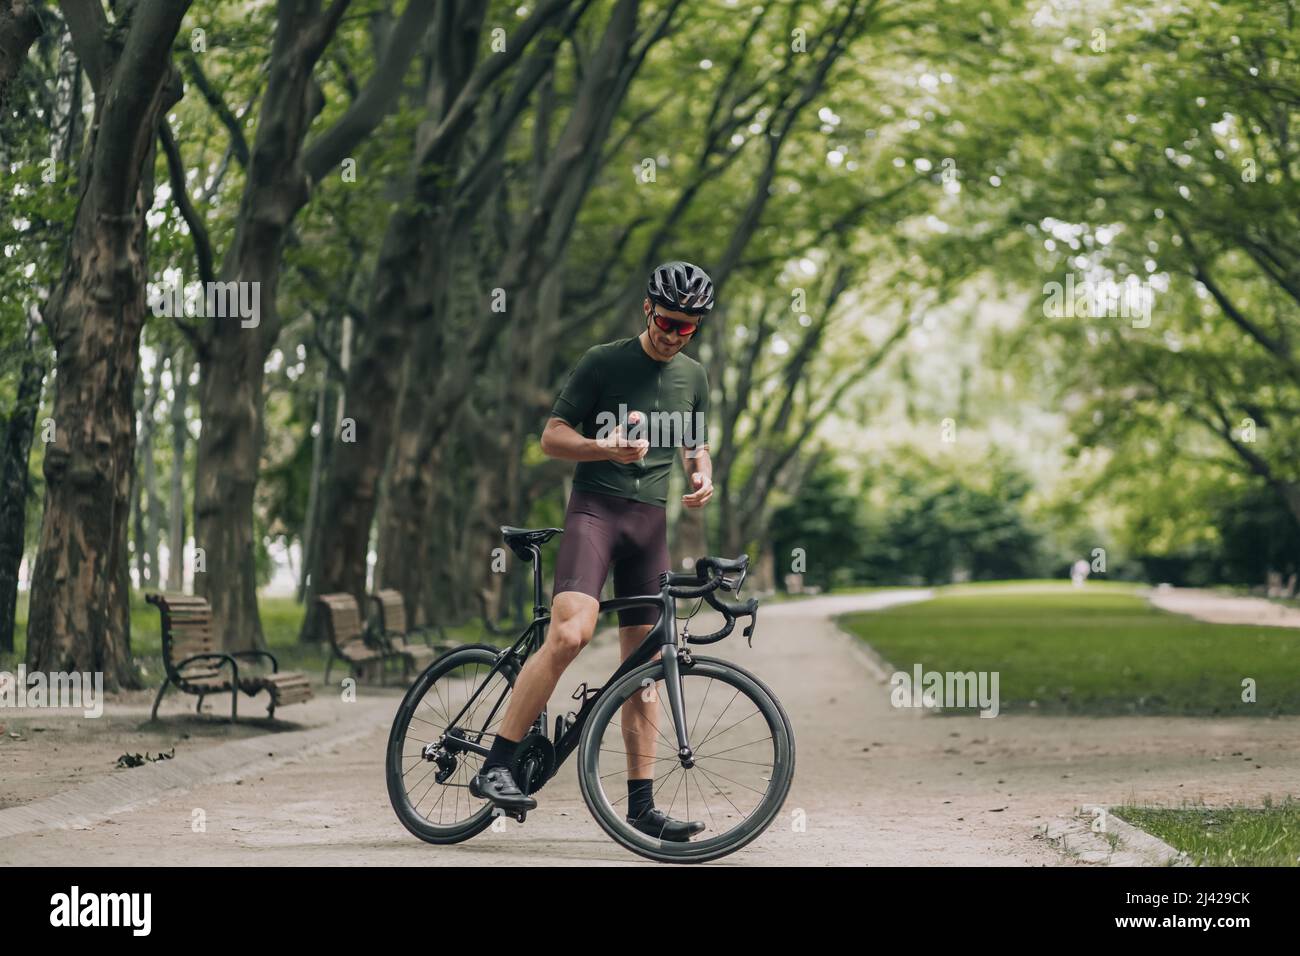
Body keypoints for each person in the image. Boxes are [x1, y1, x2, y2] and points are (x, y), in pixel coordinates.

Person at [469, 261, 715, 841]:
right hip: (595, 511)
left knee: (646, 669)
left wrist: (702, 474)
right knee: (572, 634)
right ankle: (496, 764)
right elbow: (551, 436)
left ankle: (641, 805)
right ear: (646, 309)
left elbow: (695, 443)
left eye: (686, 327)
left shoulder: (694, 377)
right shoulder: (603, 362)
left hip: (649, 525)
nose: (672, 333)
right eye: (666, 320)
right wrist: (603, 448)